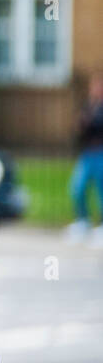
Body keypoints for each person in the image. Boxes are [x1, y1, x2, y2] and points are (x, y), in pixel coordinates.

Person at [66, 72, 103, 246]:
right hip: (87, 153)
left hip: (101, 152)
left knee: (101, 191)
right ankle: (83, 221)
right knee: (77, 188)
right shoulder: (89, 105)